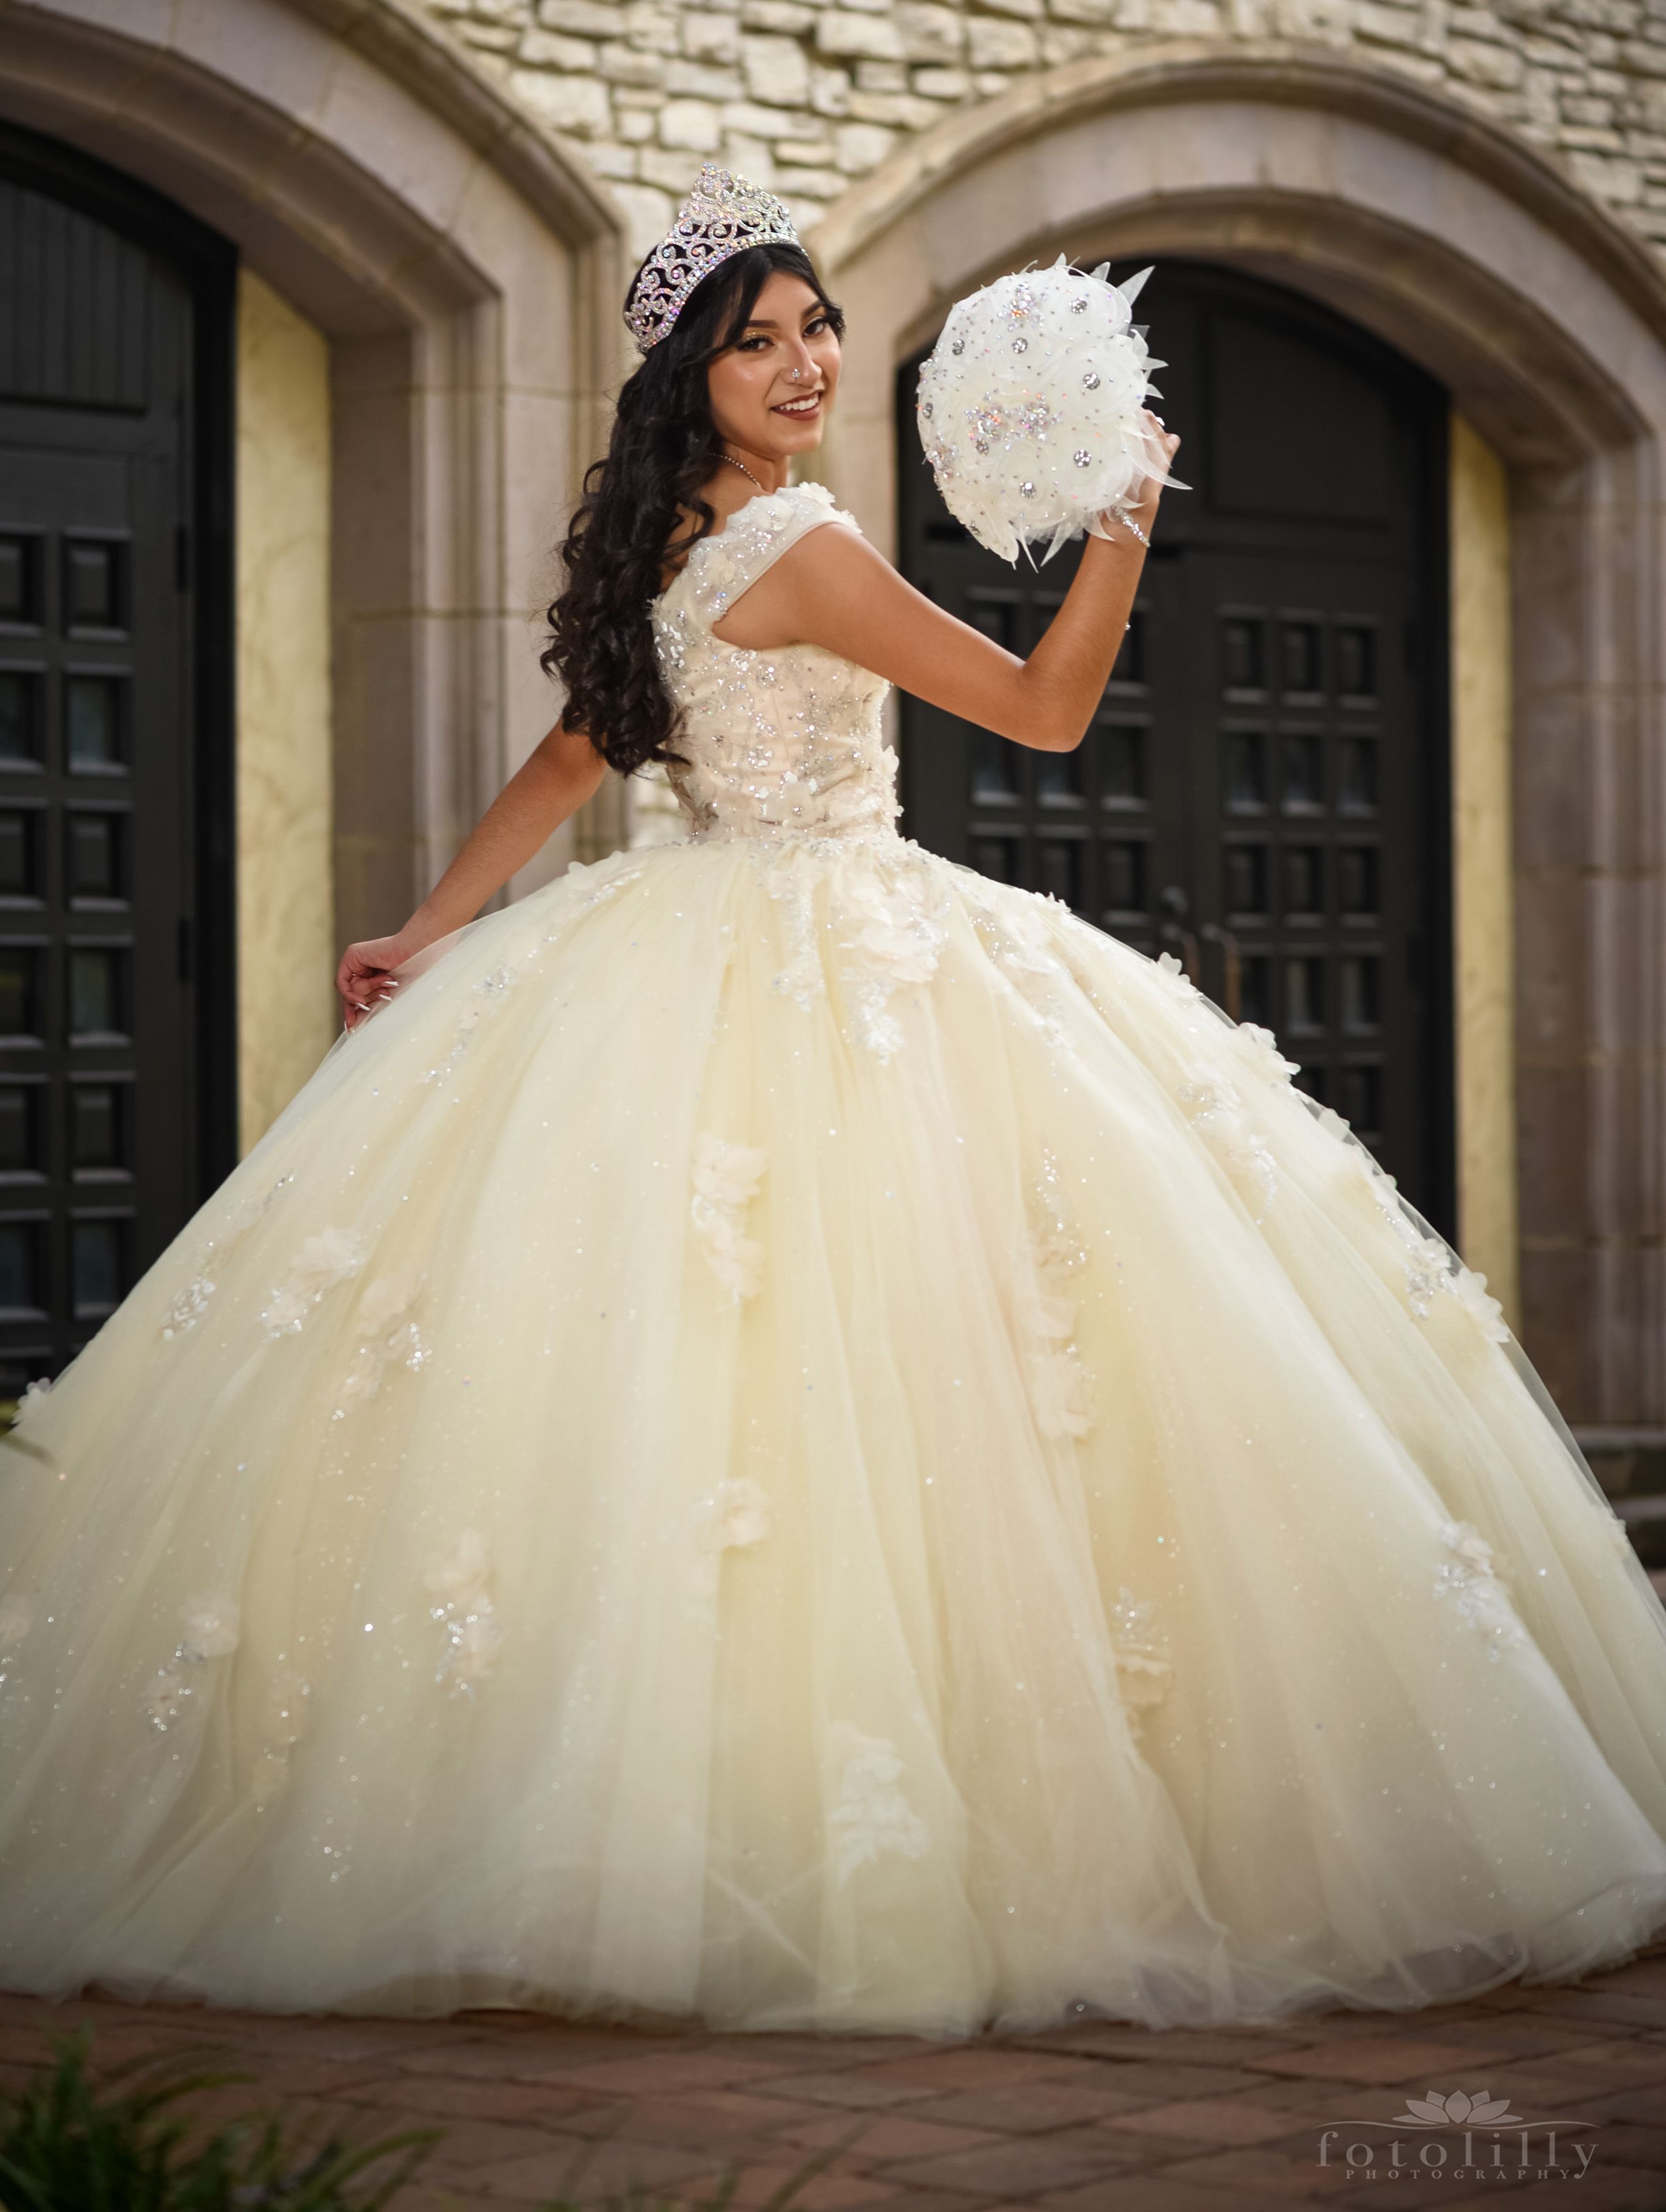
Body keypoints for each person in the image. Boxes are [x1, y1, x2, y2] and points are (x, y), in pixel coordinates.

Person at [1, 165, 1663, 2040]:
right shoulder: (799, 543)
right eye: (756, 343)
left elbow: (574, 756)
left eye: (817, 329)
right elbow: (1043, 713)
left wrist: (436, 924)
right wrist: (1127, 516)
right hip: (833, 943)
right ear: (692, 381)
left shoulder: (668, 542)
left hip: (680, 941)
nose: (802, 365)